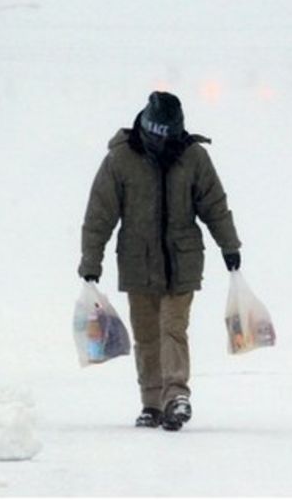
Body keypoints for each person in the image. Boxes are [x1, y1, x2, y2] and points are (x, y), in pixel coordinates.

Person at [78, 91, 242, 431]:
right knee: (147, 335)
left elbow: (214, 204)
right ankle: (151, 404)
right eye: (157, 132)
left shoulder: (194, 158)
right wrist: (91, 261)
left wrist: (229, 245)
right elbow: (99, 215)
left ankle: (176, 397)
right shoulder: (120, 160)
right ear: (147, 126)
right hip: (137, 262)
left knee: (172, 328)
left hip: (182, 261)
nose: (161, 140)